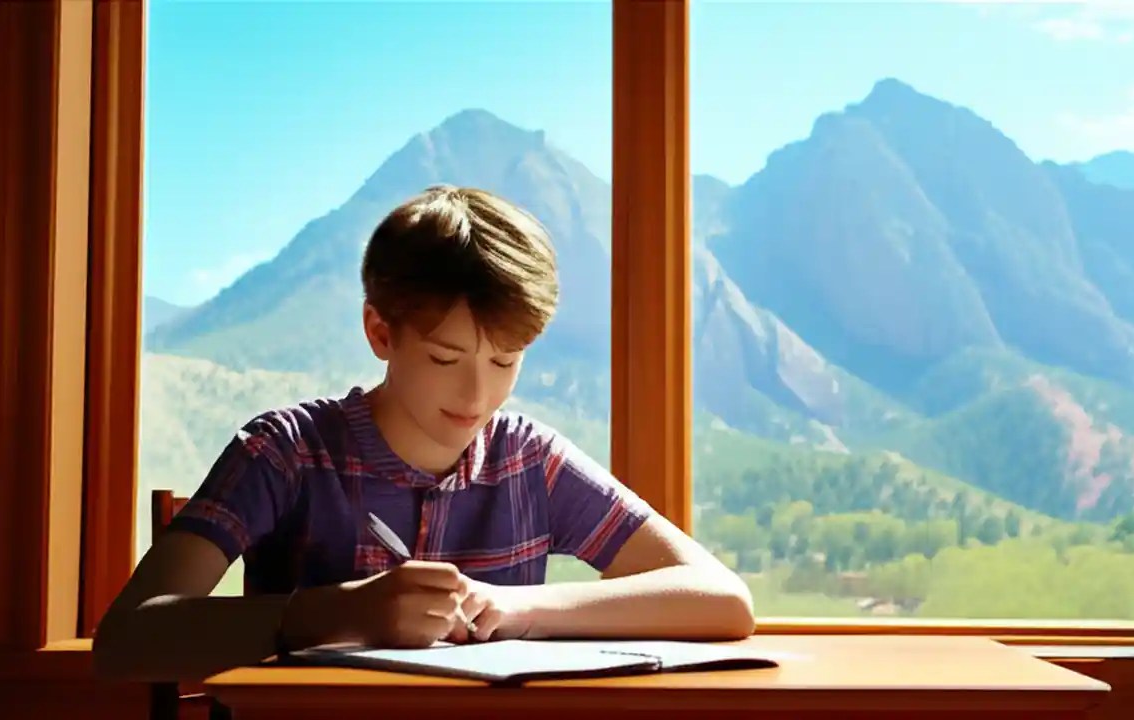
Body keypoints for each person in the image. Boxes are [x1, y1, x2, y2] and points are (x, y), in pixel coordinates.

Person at [94, 185, 754, 681]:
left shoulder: (531, 461)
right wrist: (338, 614)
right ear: (380, 333)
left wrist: (518, 608)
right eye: (445, 359)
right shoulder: (286, 451)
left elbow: (723, 602)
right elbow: (127, 638)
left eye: (504, 363)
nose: (477, 397)